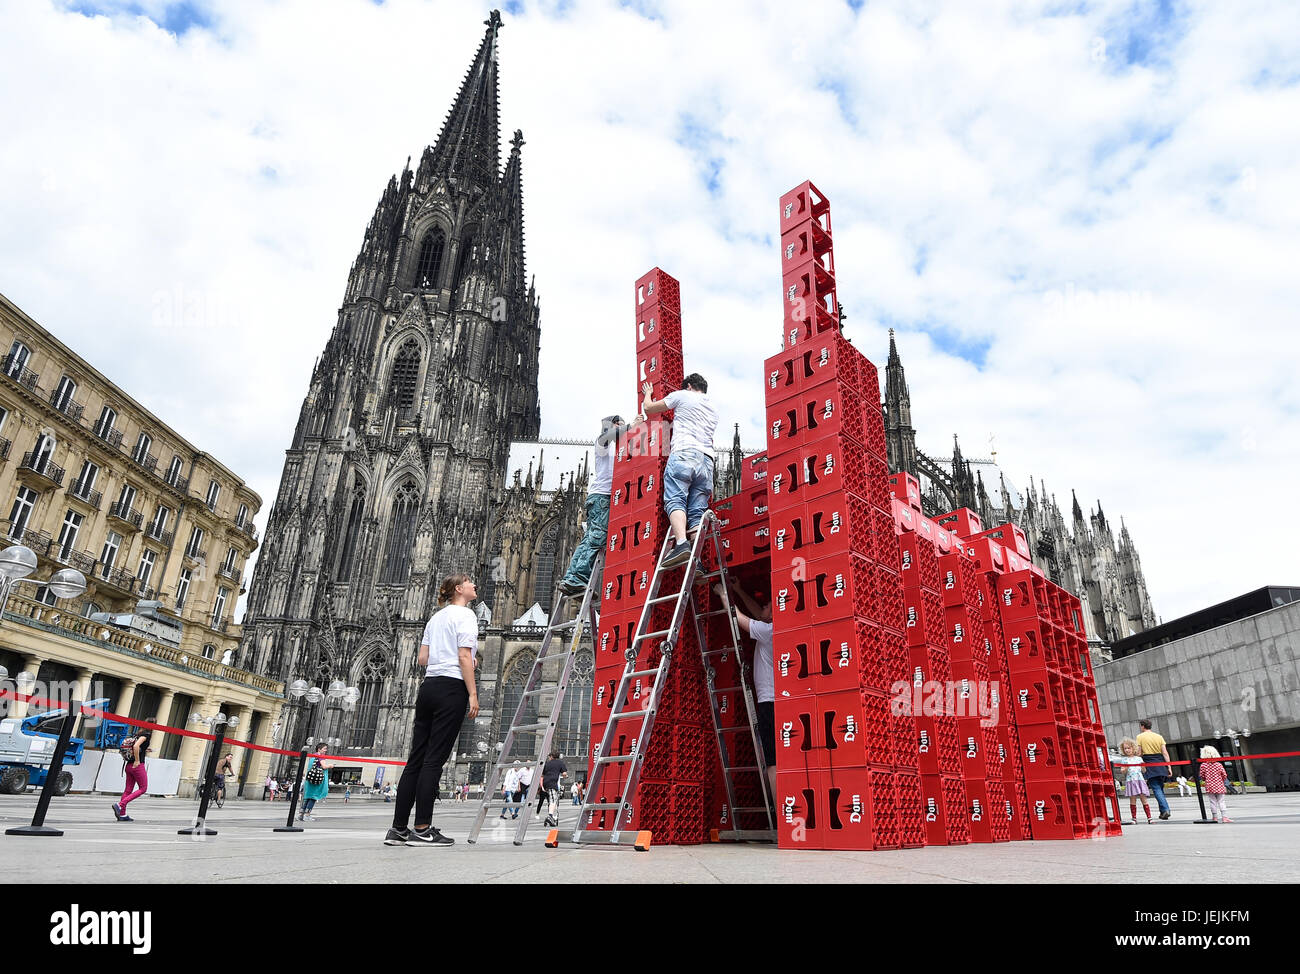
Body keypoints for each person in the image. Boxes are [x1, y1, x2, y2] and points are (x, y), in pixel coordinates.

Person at [384, 573, 480, 847]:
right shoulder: (466, 616)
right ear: (459, 590)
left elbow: (423, 658)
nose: (475, 585)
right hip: (451, 688)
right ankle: (423, 829)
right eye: (470, 582)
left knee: (416, 759)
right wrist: (472, 692)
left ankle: (398, 829)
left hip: (429, 687)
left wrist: (445, 657)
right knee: (433, 761)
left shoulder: (435, 618)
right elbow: (464, 656)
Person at [641, 373, 719, 568]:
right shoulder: (713, 408)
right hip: (707, 461)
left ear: (689, 386)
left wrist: (648, 394)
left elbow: (649, 409)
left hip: (684, 453)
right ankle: (696, 562)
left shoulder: (683, 395)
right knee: (697, 511)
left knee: (675, 498)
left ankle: (682, 544)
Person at [559, 416, 638, 597]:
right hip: (601, 497)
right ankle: (578, 577)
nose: (623, 428)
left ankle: (571, 577)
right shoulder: (603, 443)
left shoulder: (620, 448)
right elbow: (610, 435)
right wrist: (632, 426)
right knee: (597, 538)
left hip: (607, 498)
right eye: (619, 425)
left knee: (591, 538)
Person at [718, 582, 776, 800]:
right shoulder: (770, 628)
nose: (763, 606)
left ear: (771, 614)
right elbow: (758, 615)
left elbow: (740, 619)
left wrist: (724, 594)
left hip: (769, 704)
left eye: (767, 605)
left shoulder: (768, 631)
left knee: (773, 763)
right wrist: (740, 590)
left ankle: (781, 819)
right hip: (774, 701)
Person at [111, 732, 152, 822]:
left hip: (128, 766)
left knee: (128, 790)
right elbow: (136, 746)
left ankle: (122, 814)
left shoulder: (137, 735)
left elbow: (136, 747)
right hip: (137, 766)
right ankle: (120, 805)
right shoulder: (146, 735)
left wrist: (145, 749)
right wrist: (137, 760)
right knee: (143, 788)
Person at [1136, 719, 1172, 819]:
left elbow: (1139, 753)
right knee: (1159, 787)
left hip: (1149, 762)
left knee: (1156, 787)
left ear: (1143, 726)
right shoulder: (1159, 736)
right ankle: (1163, 813)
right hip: (1160, 761)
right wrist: (1169, 766)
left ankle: (1165, 809)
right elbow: (1165, 753)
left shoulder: (1140, 737)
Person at [1114, 738, 1153, 825]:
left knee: (1144, 799)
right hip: (1131, 781)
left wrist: (1143, 766)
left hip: (1140, 780)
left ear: (1133, 748)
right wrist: (1126, 768)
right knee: (1132, 800)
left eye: (1129, 748)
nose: (1127, 750)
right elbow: (1122, 771)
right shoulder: (1124, 760)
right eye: (1125, 748)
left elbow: (1144, 771)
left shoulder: (1138, 759)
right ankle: (1134, 818)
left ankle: (1149, 817)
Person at [1200, 746, 1232, 823]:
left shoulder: (1203, 765)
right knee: (1221, 801)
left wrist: (1206, 779)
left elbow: (1202, 776)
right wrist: (1221, 780)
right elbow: (1224, 775)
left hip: (1209, 786)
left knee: (1212, 801)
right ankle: (1224, 817)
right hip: (1219, 785)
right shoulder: (1218, 765)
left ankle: (1214, 817)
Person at [299, 744, 330, 822]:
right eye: (324, 749)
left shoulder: (312, 756)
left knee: (308, 797)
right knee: (313, 797)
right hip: (317, 780)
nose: (325, 750)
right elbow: (324, 766)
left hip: (310, 779)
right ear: (319, 749)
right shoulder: (321, 756)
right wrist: (330, 765)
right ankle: (307, 815)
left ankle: (301, 815)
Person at [539, 750, 568, 827]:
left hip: (546, 783)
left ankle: (551, 817)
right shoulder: (560, 763)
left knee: (553, 800)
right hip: (552, 783)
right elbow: (564, 774)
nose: (548, 758)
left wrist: (541, 786)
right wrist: (565, 776)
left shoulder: (547, 764)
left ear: (551, 756)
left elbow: (542, 775)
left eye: (549, 756)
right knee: (553, 800)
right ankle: (550, 816)